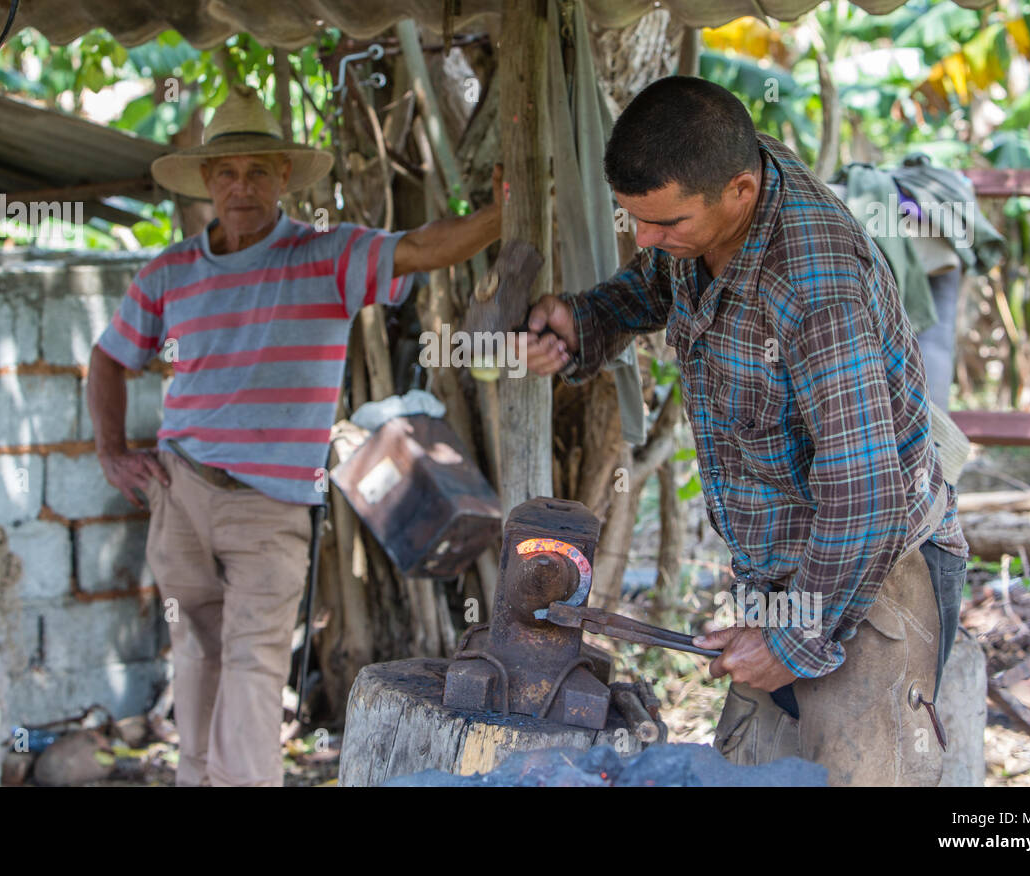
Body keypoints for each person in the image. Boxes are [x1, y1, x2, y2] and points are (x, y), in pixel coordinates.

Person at [522, 76, 969, 786]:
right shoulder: (713, 198)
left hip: (874, 567)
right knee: (746, 776)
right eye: (635, 219)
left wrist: (793, 641)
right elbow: (658, 279)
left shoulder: (815, 284)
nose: (646, 239)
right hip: (783, 575)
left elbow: (867, 497)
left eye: (665, 223)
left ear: (739, 190)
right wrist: (587, 321)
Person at [88, 85, 503, 786]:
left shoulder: (328, 256)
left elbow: (425, 249)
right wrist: (111, 452)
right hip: (180, 490)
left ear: (284, 178)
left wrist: (502, 214)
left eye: (257, 171)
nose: (240, 187)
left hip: (270, 507)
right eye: (226, 173)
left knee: (252, 665)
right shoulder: (169, 273)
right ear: (205, 184)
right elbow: (108, 357)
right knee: (195, 654)